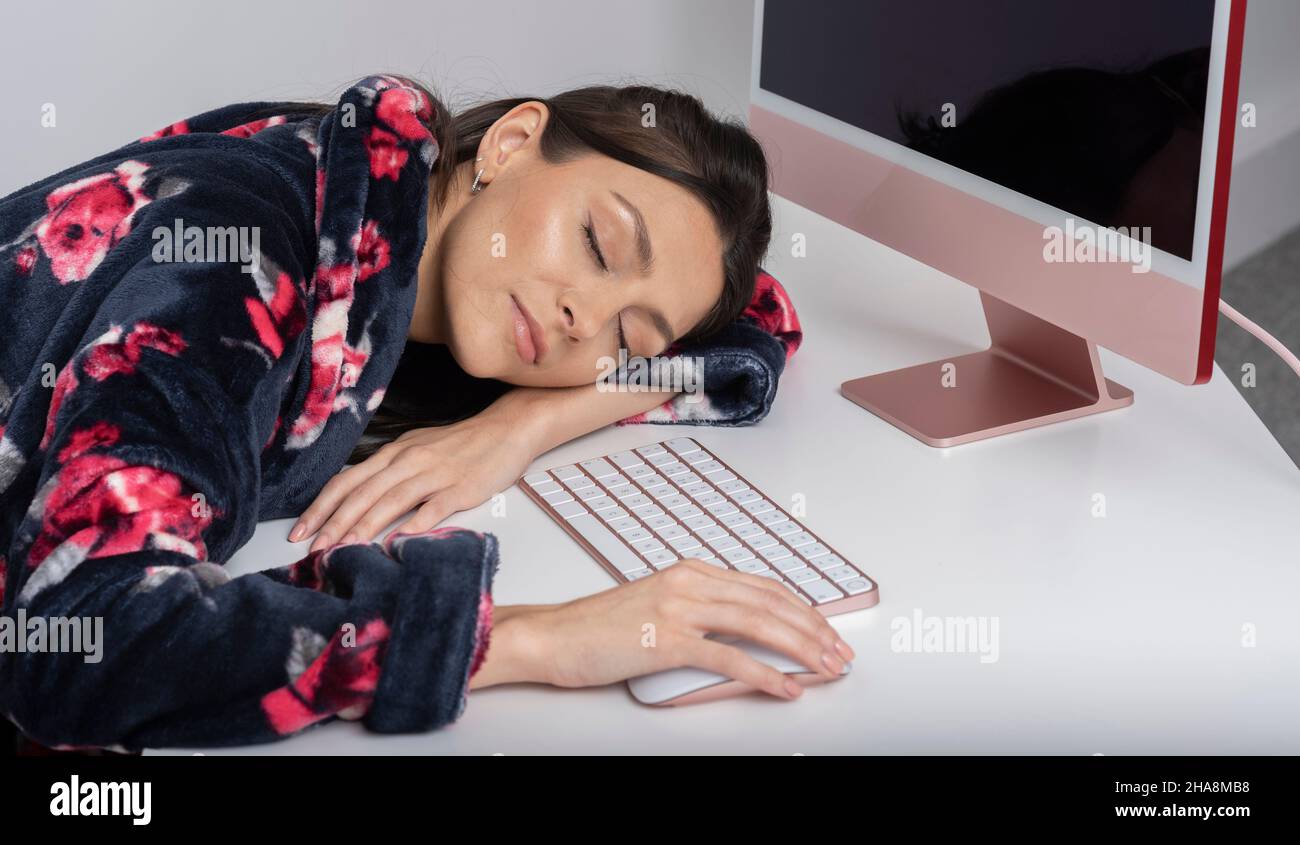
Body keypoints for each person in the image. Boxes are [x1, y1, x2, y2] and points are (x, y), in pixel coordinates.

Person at [0, 74, 853, 751]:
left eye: (629, 332)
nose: (583, 322)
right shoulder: (237, 261)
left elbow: (760, 319)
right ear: (514, 144)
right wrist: (530, 639)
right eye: (598, 244)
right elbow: (80, 637)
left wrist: (515, 427)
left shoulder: (366, 194)